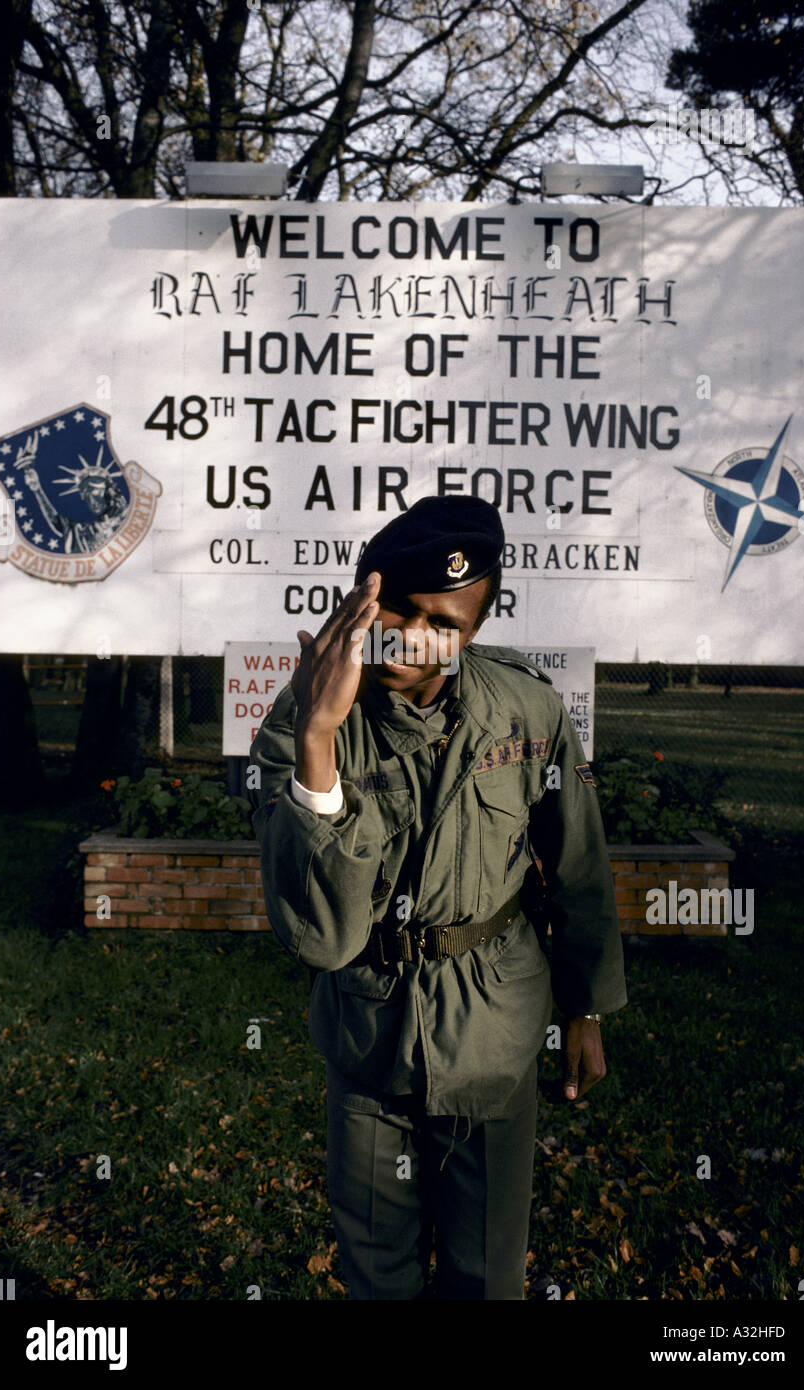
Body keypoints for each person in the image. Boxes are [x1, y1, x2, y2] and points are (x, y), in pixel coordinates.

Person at [247, 494, 627, 1300]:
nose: (413, 639)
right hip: (369, 1035)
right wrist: (319, 741)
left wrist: (584, 1007)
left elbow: (577, 866)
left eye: (444, 625)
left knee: (486, 1273)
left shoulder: (524, 709)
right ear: (362, 600)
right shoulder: (305, 722)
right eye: (399, 609)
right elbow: (319, 936)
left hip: (494, 1027)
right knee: (378, 1275)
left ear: (475, 630)